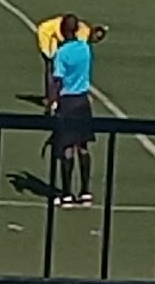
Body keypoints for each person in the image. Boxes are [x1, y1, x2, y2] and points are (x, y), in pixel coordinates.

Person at [47, 15, 109, 207]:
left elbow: (57, 80)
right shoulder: (84, 48)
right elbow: (94, 36)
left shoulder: (61, 53)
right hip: (83, 101)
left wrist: (51, 102)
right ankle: (85, 191)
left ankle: (66, 193)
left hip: (67, 102)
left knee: (66, 147)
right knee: (82, 147)